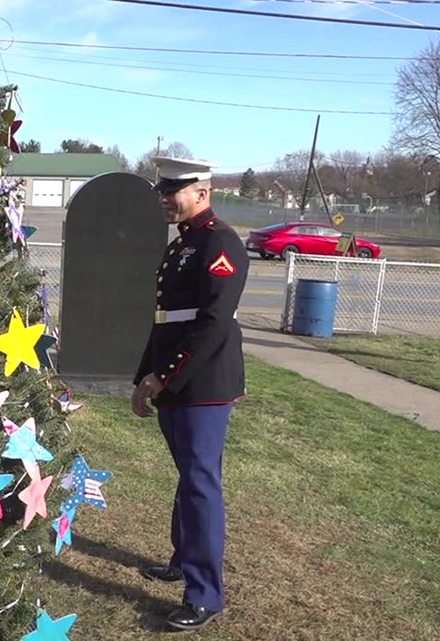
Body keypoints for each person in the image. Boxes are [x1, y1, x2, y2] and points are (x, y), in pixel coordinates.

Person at [131, 156, 249, 631]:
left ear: (203, 192)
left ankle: (205, 594)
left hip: (203, 382)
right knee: (189, 475)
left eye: (172, 191)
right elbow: (165, 321)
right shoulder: (183, 245)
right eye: (161, 191)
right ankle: (183, 559)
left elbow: (214, 321)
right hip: (176, 379)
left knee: (201, 483)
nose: (164, 198)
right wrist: (144, 375)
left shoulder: (220, 243)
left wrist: (167, 376)